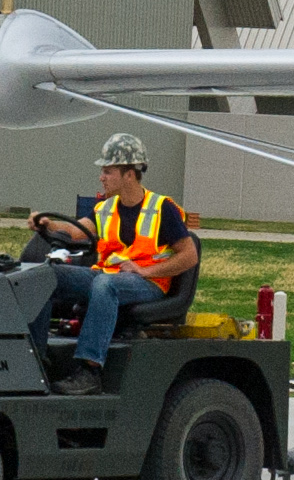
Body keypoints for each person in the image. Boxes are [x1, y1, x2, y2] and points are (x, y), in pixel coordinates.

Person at [26, 132, 197, 396]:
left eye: (108, 171)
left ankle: (89, 370)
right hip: (110, 277)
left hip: (148, 282)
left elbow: (189, 255)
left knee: (106, 285)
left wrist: (145, 270)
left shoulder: (162, 208)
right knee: (44, 275)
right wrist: (48, 224)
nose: (101, 177)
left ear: (130, 174)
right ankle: (36, 360)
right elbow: (77, 231)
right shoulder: (106, 208)